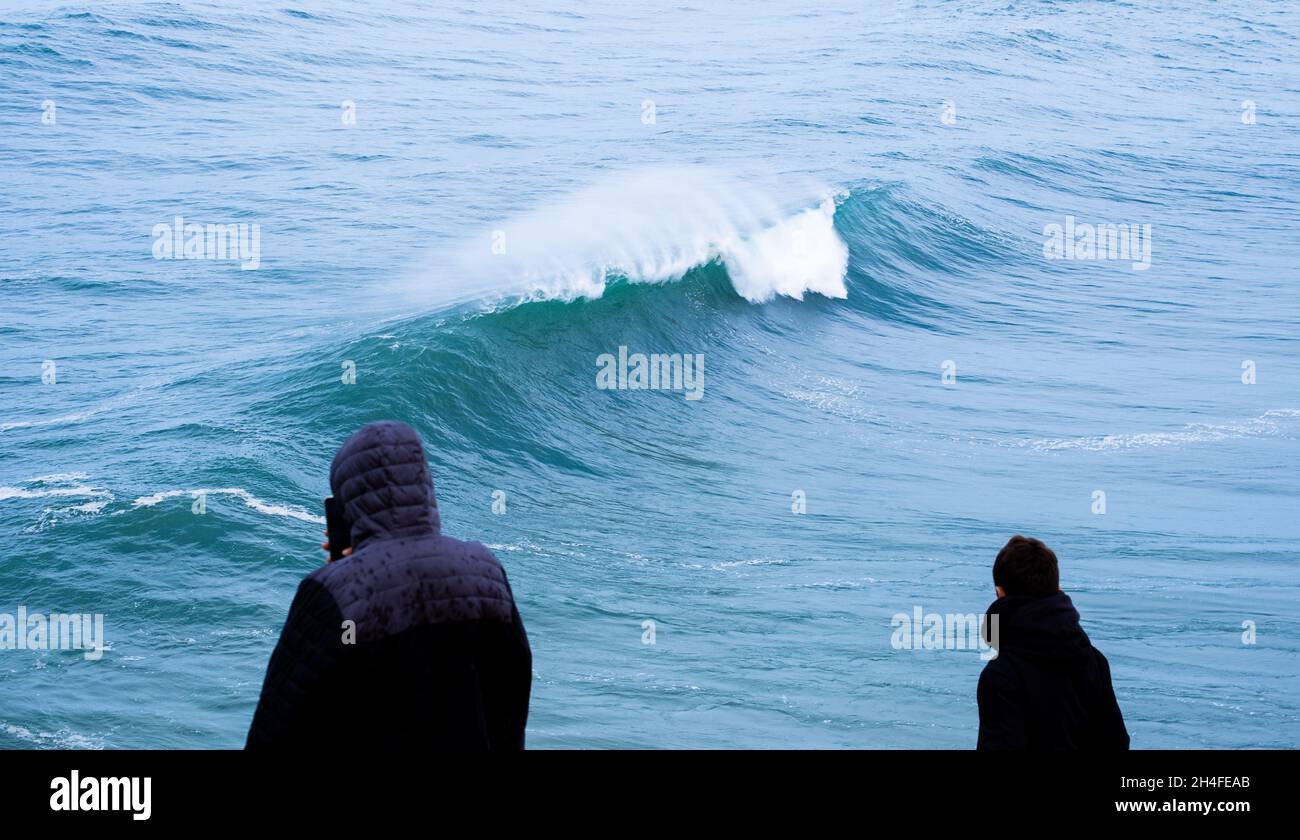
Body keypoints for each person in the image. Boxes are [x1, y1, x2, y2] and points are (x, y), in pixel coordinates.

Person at [246, 420, 531, 749]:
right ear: (422, 479)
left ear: (346, 500)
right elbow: (512, 689)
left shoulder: (333, 593)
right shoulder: (485, 569)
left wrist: (339, 577)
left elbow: (280, 724)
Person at [977, 535, 1128, 750]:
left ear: (999, 594)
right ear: (1058, 588)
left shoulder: (1001, 676)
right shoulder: (1095, 661)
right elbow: (1117, 742)